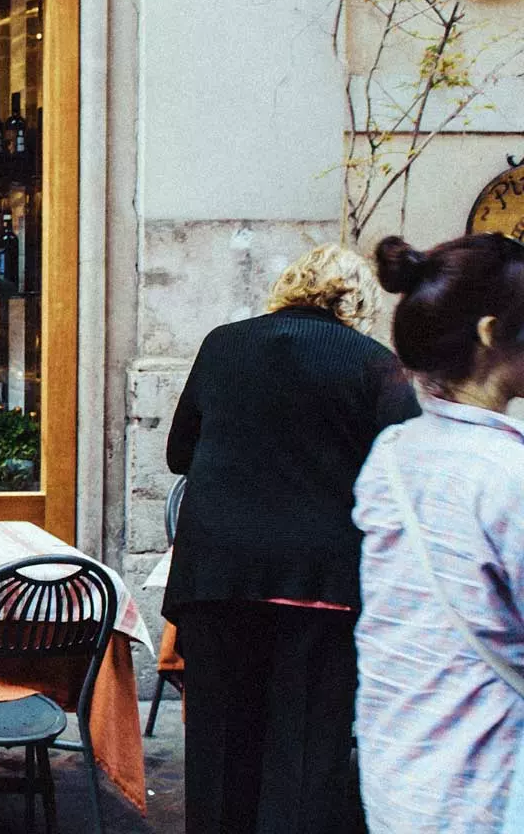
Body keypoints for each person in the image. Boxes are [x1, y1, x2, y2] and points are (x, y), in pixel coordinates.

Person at [163, 243, 419, 834]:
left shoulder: (223, 343)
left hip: (218, 578)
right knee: (304, 752)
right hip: (319, 585)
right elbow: (399, 475)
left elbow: (180, 454)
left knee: (219, 744)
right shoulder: (374, 364)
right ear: (357, 300)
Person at [355, 234, 524, 833]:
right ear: (489, 333)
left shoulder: (393, 453)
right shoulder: (507, 474)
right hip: (485, 782)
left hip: (399, 768)